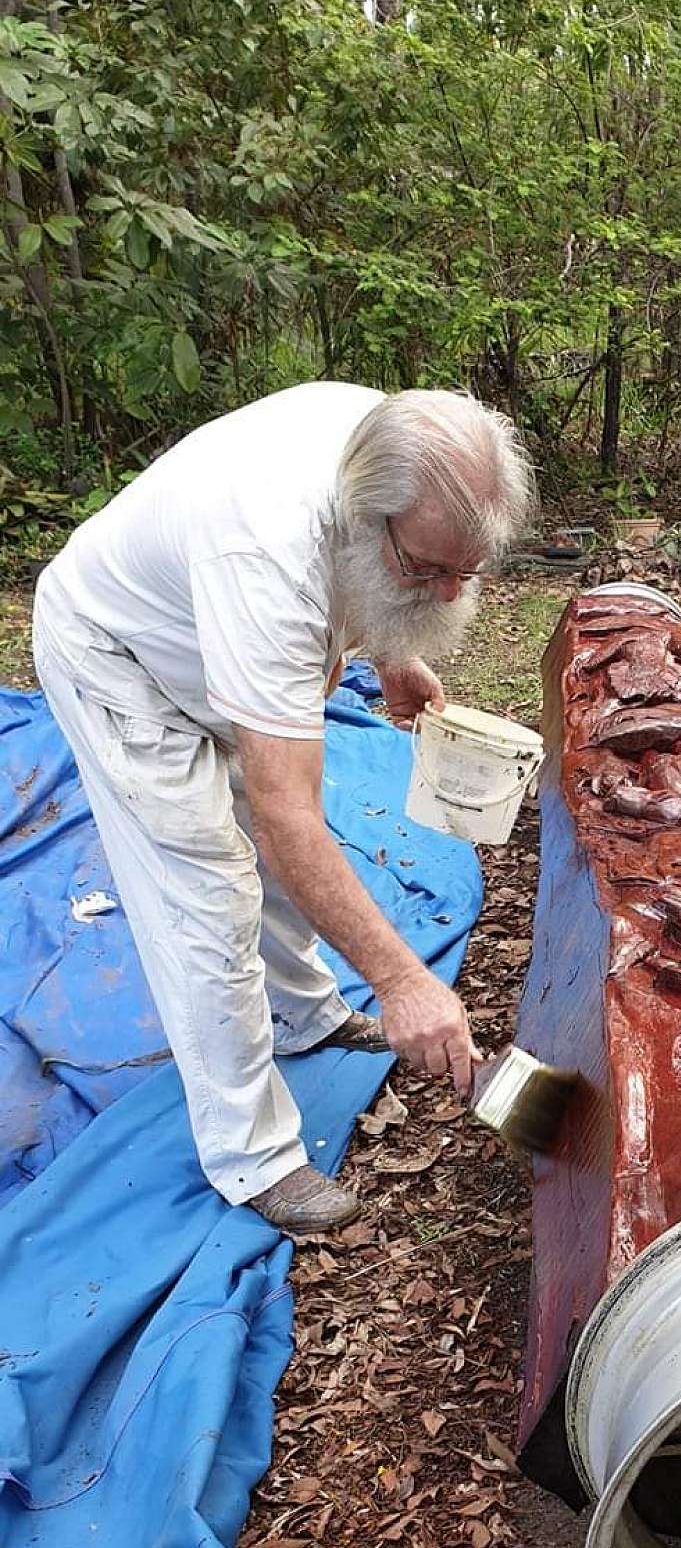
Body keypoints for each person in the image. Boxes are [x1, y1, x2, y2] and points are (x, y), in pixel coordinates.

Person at [32, 383, 534, 1234]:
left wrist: (392, 649)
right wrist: (402, 981)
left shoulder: (393, 440)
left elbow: (373, 573)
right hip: (124, 661)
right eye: (427, 571)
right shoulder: (263, 552)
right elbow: (284, 813)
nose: (450, 594)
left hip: (220, 635)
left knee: (276, 855)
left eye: (466, 571)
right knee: (207, 894)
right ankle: (252, 1157)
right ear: (365, 511)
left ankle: (307, 1016)